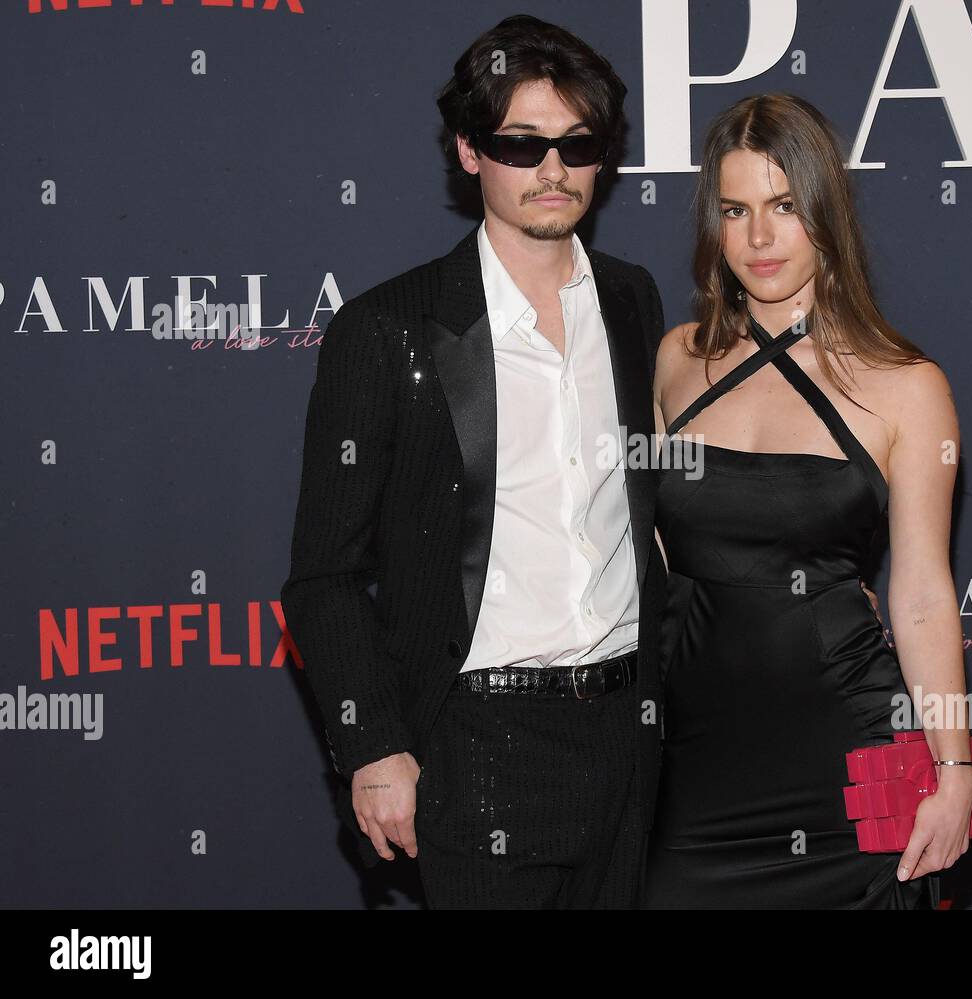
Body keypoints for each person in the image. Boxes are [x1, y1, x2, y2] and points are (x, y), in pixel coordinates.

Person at [280, 14, 667, 908]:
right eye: (519, 144)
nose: (552, 170)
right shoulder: (388, 330)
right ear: (468, 150)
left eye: (577, 144)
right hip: (475, 743)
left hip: (627, 734)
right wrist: (373, 744)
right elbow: (325, 576)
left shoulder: (633, 301)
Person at [640, 93, 972, 908]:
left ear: (825, 211)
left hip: (846, 757)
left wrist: (956, 767)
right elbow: (652, 565)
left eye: (785, 206)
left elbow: (926, 595)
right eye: (736, 209)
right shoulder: (677, 361)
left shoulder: (907, 387)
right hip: (692, 769)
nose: (759, 237)